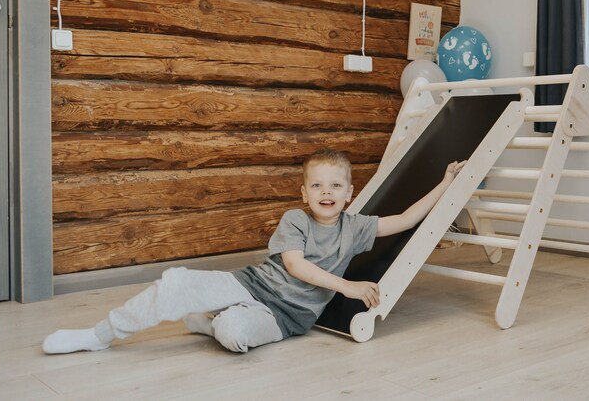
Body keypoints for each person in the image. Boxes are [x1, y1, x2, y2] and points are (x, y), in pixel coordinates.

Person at [43, 149, 466, 354]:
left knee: (233, 336)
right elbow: (296, 267)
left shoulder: (356, 227)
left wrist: (446, 183)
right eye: (317, 185)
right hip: (250, 286)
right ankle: (98, 336)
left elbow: (408, 219)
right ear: (304, 192)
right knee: (174, 283)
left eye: (335, 185)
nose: (326, 192)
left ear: (350, 193)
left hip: (287, 318)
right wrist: (348, 287)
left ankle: (208, 324)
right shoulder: (295, 220)